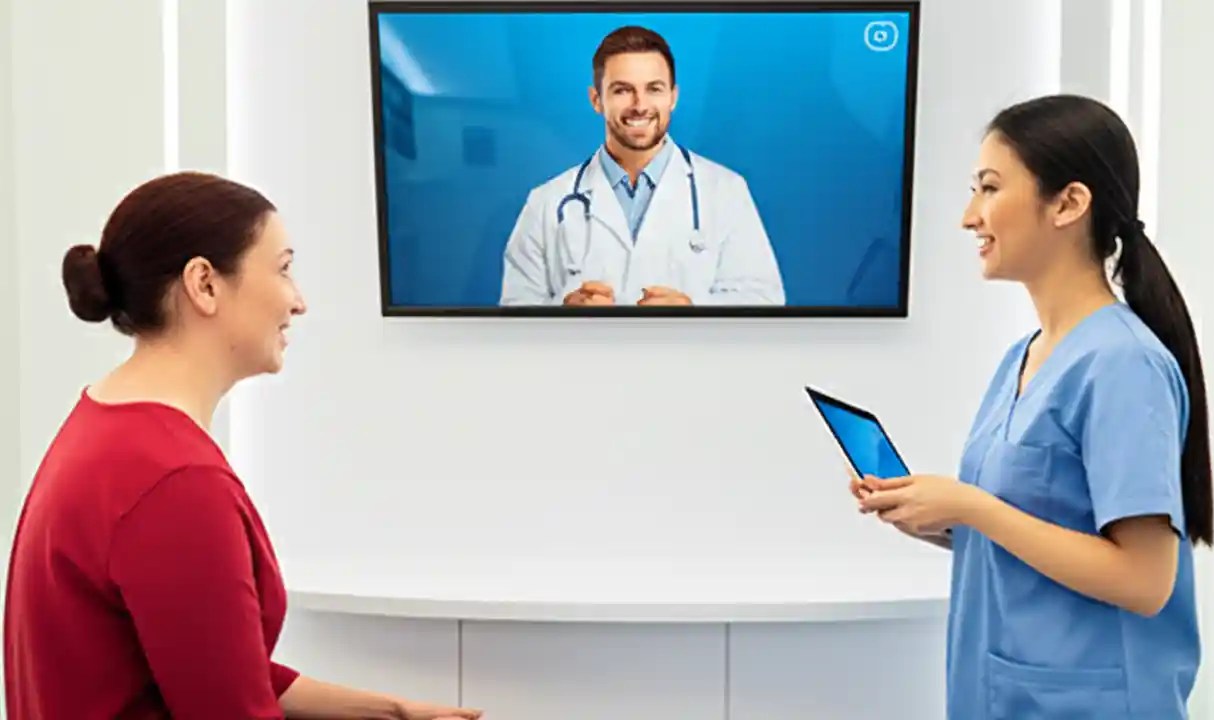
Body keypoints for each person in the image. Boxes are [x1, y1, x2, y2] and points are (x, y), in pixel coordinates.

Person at [3, 172, 482, 720]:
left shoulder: (105, 426)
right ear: (204, 284)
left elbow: (207, 664)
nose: (298, 301)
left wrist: (392, 709)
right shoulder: (175, 483)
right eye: (282, 269)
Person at [853, 95, 1213, 719]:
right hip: (1004, 695)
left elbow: (1144, 580)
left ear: (1069, 204)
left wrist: (971, 506)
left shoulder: (1121, 364)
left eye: (989, 188)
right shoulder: (1026, 357)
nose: (970, 216)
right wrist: (943, 521)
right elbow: (1049, 527)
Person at [500, 25, 785, 307]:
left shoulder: (726, 190)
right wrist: (563, 313)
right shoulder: (547, 202)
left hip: (687, 355)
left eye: (654, 89)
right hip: (587, 354)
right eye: (623, 90)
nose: (640, 105)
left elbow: (765, 301)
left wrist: (693, 309)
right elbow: (515, 312)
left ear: (673, 97)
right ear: (596, 100)